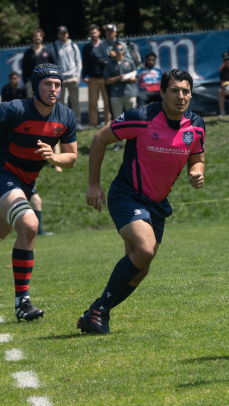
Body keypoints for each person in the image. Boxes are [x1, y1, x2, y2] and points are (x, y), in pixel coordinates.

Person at [78, 69, 205, 334]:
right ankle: (99, 312)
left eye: (185, 91)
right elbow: (99, 139)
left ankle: (95, 312)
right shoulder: (141, 117)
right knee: (145, 250)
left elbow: (197, 157)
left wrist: (197, 172)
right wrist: (93, 184)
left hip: (157, 204)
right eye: (174, 90)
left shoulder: (196, 125)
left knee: (140, 269)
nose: (180, 96)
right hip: (127, 195)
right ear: (162, 93)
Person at [0, 63, 77, 321]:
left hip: (24, 186)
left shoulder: (65, 116)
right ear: (36, 86)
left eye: (57, 85)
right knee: (30, 224)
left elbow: (72, 157)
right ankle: (23, 302)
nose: (53, 89)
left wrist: (53, 157)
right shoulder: (13, 109)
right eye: (47, 84)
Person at [104, 42, 138, 152]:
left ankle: (133, 141)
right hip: (116, 94)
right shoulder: (110, 64)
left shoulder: (130, 62)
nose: (119, 50)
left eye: (120, 48)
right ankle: (118, 142)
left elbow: (135, 78)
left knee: (132, 119)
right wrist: (118, 78)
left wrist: (128, 79)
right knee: (117, 120)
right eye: (116, 48)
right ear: (113, 50)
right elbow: (107, 80)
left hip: (129, 93)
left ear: (124, 50)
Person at [52, 26, 83, 130]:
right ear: (58, 35)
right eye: (61, 33)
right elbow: (53, 63)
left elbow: (78, 61)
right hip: (60, 79)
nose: (63, 35)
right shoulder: (55, 47)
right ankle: (62, 124)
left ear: (68, 34)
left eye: (65, 33)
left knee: (75, 102)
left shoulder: (73, 46)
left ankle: (77, 123)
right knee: (60, 103)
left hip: (73, 77)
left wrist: (77, 75)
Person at [82, 24, 112, 127]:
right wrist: (84, 76)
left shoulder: (105, 45)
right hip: (92, 78)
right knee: (92, 103)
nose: (93, 35)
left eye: (95, 32)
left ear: (99, 32)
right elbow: (84, 63)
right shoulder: (86, 48)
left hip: (105, 78)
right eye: (91, 33)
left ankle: (108, 122)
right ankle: (93, 124)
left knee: (107, 102)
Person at [21, 29, 55, 99]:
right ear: (32, 38)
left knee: (46, 101)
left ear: (42, 38)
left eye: (40, 36)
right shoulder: (28, 53)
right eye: (35, 36)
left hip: (46, 81)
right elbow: (24, 68)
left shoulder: (48, 52)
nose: (38, 37)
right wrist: (26, 82)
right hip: (31, 82)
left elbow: (54, 67)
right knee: (32, 103)